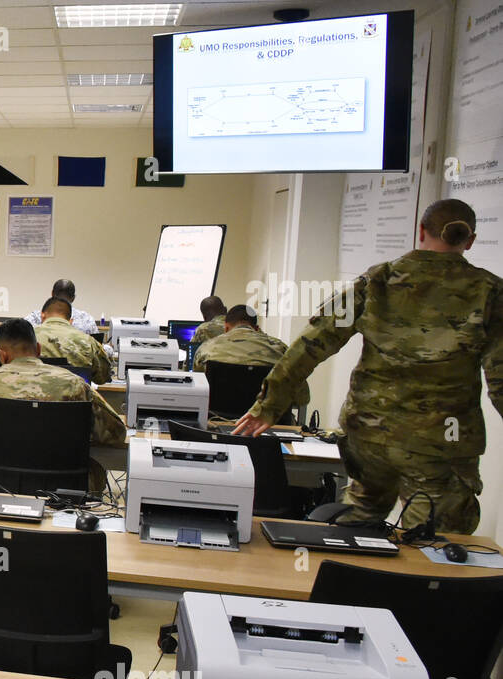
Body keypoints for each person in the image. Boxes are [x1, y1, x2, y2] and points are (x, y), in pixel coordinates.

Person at [234, 199, 503, 534]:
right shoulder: (490, 293)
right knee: (432, 545)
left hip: (370, 436)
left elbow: (310, 345)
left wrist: (269, 405)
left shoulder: (378, 281)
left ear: (421, 232)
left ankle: (348, 581)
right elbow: (500, 379)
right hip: (440, 446)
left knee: (358, 527)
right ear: (470, 240)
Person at [0, 318, 126, 491]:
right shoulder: (76, 384)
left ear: (2, 356)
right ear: (38, 349)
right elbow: (116, 433)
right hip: (67, 485)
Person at [193, 304, 308, 411]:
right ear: (257, 328)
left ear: (226, 328)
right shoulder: (280, 348)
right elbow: (302, 398)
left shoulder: (207, 348)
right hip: (269, 424)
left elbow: (195, 391)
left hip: (216, 422)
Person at [33, 297, 112, 384]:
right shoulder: (87, 341)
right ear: (70, 321)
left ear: (42, 315)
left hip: (33, 395)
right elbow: (103, 377)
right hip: (74, 396)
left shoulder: (28, 337)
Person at [23, 279, 99, 335]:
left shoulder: (35, 317)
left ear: (52, 294)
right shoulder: (86, 319)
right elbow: (98, 346)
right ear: (73, 298)